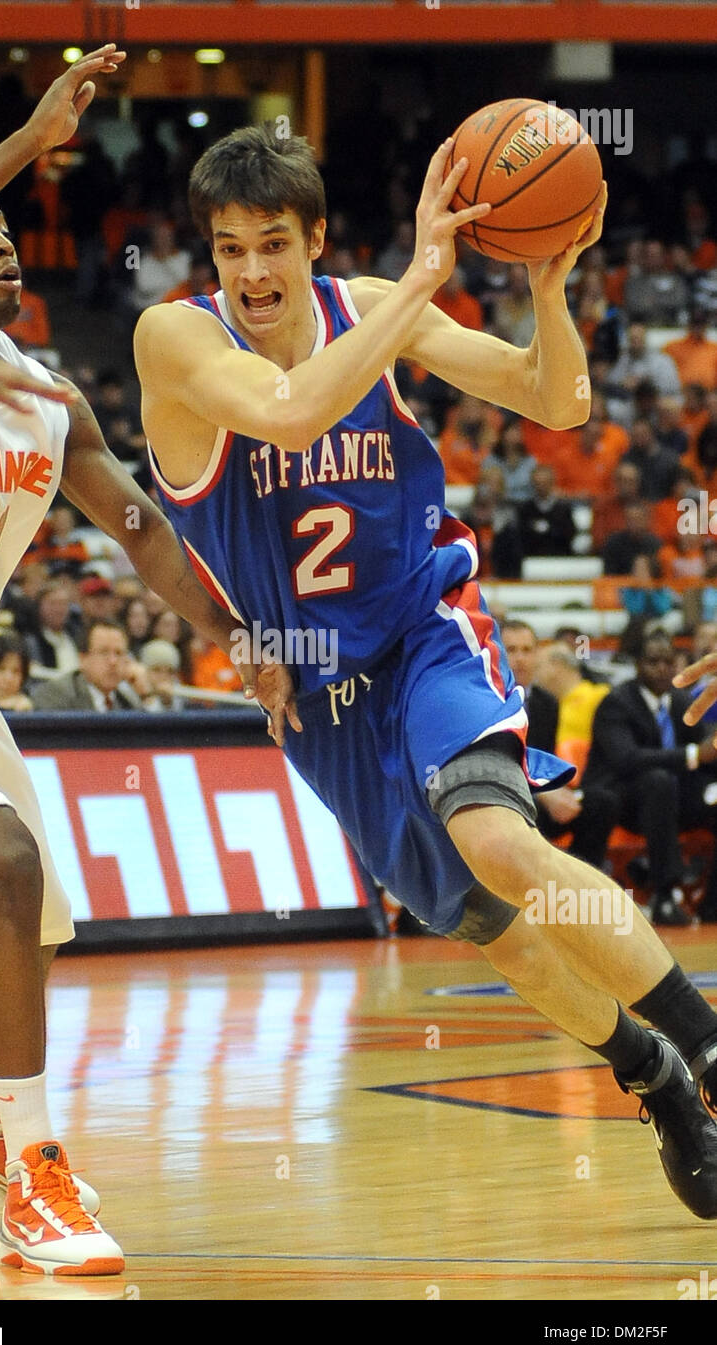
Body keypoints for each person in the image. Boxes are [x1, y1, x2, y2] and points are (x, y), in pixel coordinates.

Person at [135, 121, 717, 1221]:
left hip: (423, 625)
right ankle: (654, 1077)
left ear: (312, 239)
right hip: (315, 694)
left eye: (271, 243)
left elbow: (558, 402)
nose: (251, 271)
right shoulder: (172, 337)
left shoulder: (367, 303)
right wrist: (421, 280)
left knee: (498, 842)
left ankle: (706, 1043)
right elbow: (287, 407)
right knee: (491, 930)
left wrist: (545, 289)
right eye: (227, 249)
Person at [0, 50, 290, 1277]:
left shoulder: (47, 402)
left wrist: (241, 640)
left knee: (33, 907)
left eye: (8, 229)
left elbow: (146, 535)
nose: (0, 241)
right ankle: (35, 1183)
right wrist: (30, 142)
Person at [583, 630, 717, 926]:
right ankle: (664, 896)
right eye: (652, 661)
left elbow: (708, 756)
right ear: (637, 664)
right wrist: (694, 754)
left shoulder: (684, 702)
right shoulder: (616, 703)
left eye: (668, 661)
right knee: (659, 780)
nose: (661, 669)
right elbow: (627, 760)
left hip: (673, 802)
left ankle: (712, 904)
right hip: (621, 802)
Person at [501, 623, 617, 869]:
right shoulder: (485, 702)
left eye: (527, 650)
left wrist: (557, 791)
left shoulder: (548, 703)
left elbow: (546, 758)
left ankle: (579, 887)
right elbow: (494, 765)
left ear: (537, 655)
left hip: (540, 796)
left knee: (601, 801)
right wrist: (541, 794)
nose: (520, 658)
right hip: (504, 798)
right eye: (511, 650)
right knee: (524, 810)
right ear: (496, 653)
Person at [31, 620, 148, 710]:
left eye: (119, 653)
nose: (113, 661)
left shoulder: (127, 701)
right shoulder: (54, 695)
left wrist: (146, 695)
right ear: (83, 659)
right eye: (104, 652)